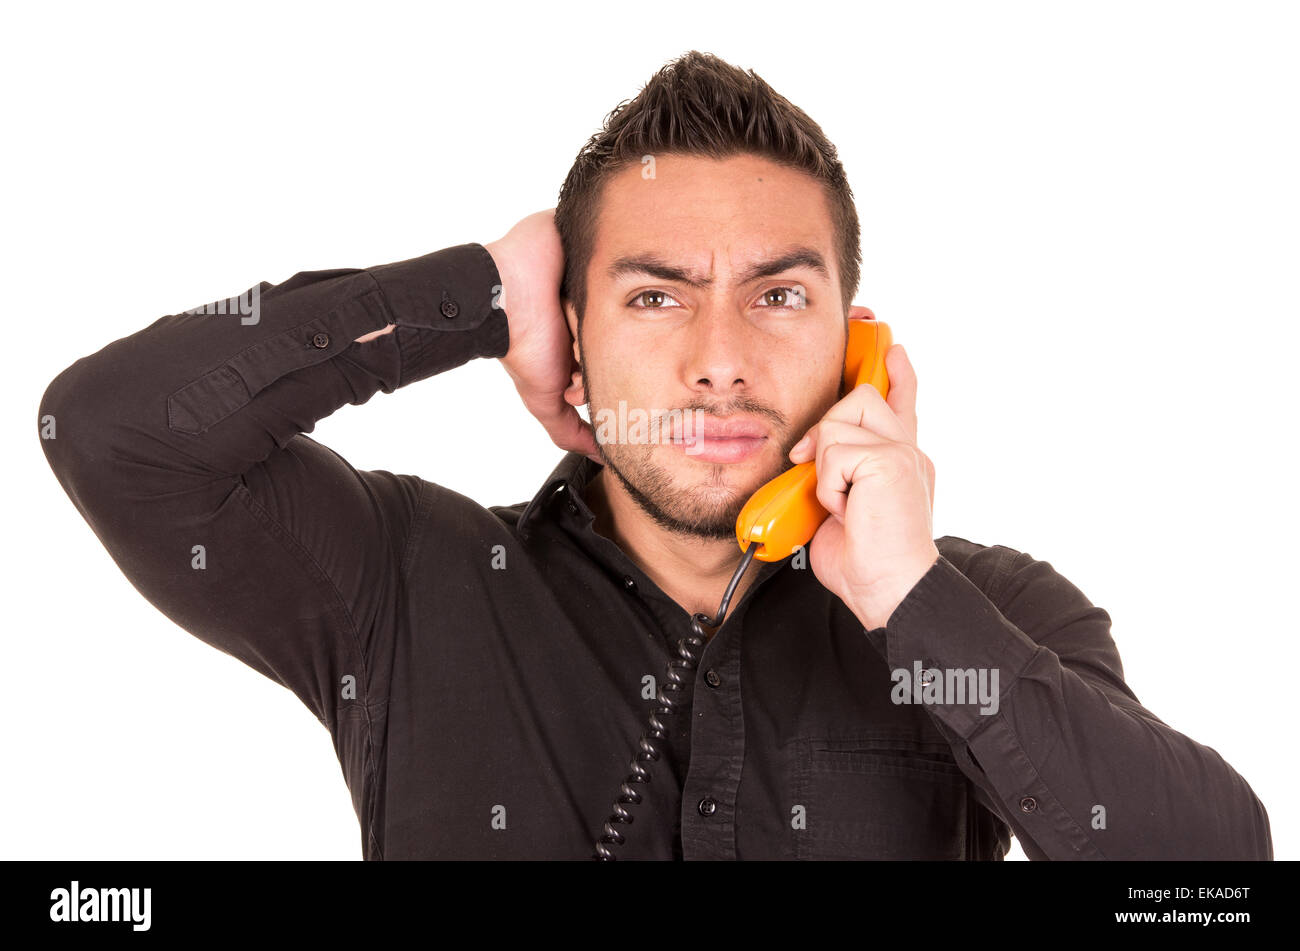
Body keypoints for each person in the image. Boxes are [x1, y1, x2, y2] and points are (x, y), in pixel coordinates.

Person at [38, 50, 1271, 860]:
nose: (719, 360)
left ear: (860, 341)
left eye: (780, 299)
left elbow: (1210, 877)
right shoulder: (406, 584)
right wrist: (477, 293)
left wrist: (908, 600)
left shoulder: (988, 611)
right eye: (655, 297)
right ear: (570, 334)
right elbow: (111, 429)